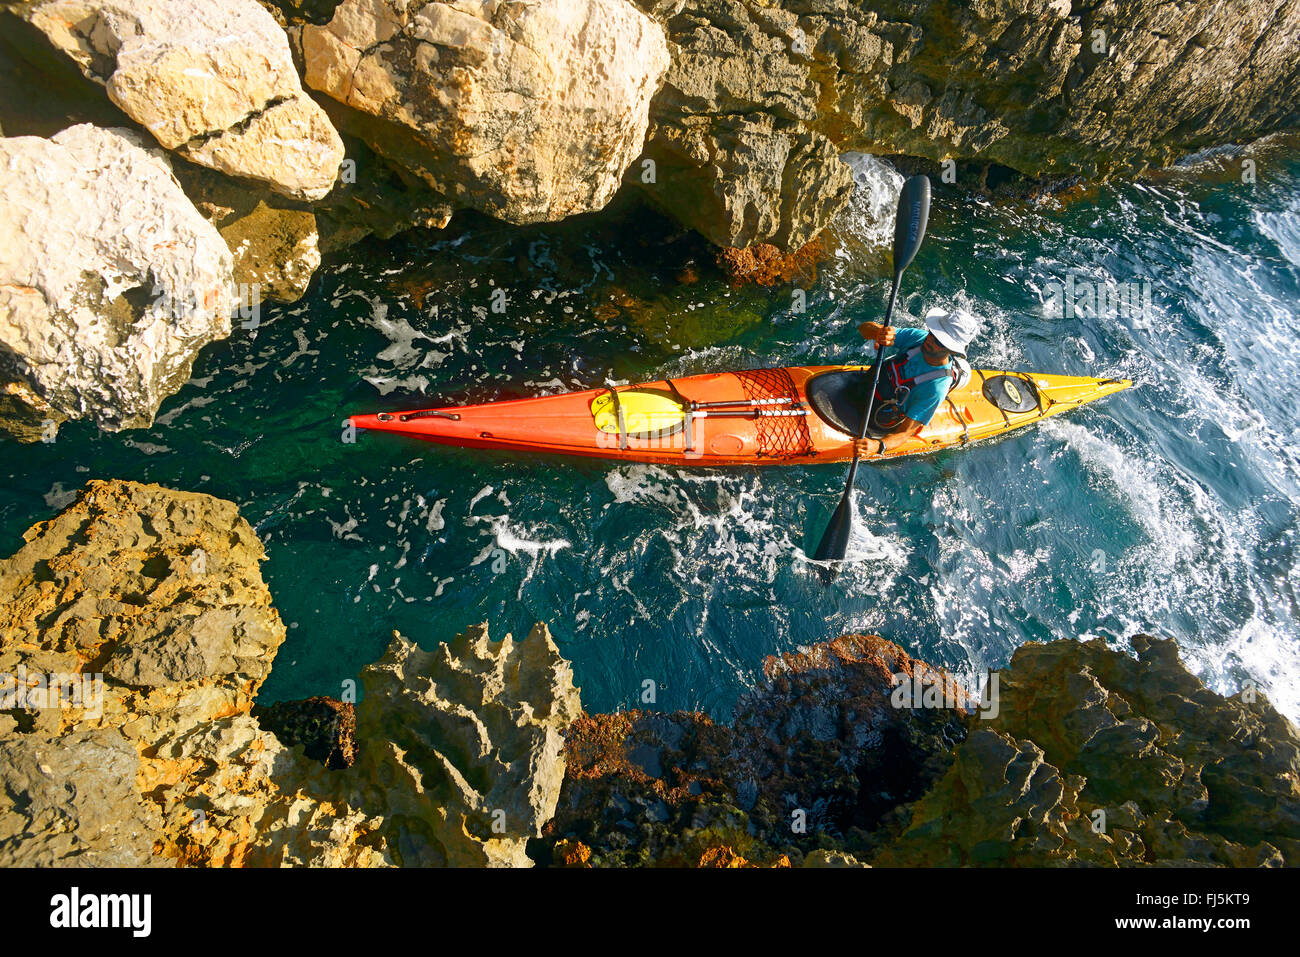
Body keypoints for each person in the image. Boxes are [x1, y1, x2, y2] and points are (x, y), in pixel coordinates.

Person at [852, 307, 980, 457]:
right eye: (933, 333)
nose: (930, 340)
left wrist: (877, 445)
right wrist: (878, 332)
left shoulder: (936, 388)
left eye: (939, 341)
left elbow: (905, 433)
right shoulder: (918, 338)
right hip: (866, 384)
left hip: (878, 415)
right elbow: (863, 329)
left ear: (952, 350)